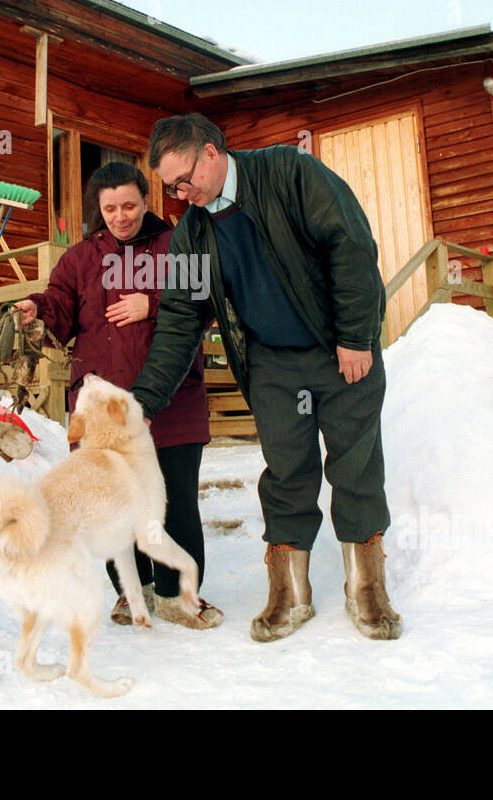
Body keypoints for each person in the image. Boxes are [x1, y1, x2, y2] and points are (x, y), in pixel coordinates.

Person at [129, 114, 403, 642]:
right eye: (170, 187)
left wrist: (355, 336)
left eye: (185, 179)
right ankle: (289, 592)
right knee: (286, 471)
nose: (182, 194)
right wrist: (144, 400)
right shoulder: (192, 232)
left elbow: (350, 245)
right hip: (273, 362)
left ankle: (366, 588)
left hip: (338, 348)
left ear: (211, 152)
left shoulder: (288, 173)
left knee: (355, 464)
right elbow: (181, 319)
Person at [14, 161, 222, 629]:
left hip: (170, 401)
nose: (121, 216)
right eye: (110, 208)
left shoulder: (176, 245)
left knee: (174, 500)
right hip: (102, 410)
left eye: (129, 205)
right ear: (99, 209)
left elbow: (205, 302)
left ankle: (178, 594)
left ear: (147, 201)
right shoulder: (79, 259)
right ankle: (134, 593)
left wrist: (153, 304)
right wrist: (37, 311)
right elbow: (60, 306)